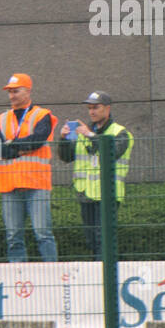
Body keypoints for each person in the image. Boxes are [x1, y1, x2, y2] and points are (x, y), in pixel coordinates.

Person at [57, 91, 134, 257]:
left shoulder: (120, 133)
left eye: (96, 107)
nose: (92, 111)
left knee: (103, 240)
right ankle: (98, 274)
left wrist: (91, 135)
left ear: (107, 109)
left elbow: (112, 152)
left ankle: (105, 277)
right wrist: (63, 139)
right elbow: (66, 157)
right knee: (91, 240)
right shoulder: (83, 132)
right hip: (86, 194)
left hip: (108, 194)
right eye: (89, 108)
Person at [0, 73, 57, 262]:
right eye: (10, 92)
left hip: (36, 184)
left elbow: (37, 140)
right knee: (13, 237)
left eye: (16, 91)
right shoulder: (1, 119)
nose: (12, 96)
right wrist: (20, 148)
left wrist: (11, 144)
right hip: (10, 185)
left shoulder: (42, 115)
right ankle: (18, 278)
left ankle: (53, 274)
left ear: (28, 91)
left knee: (43, 233)